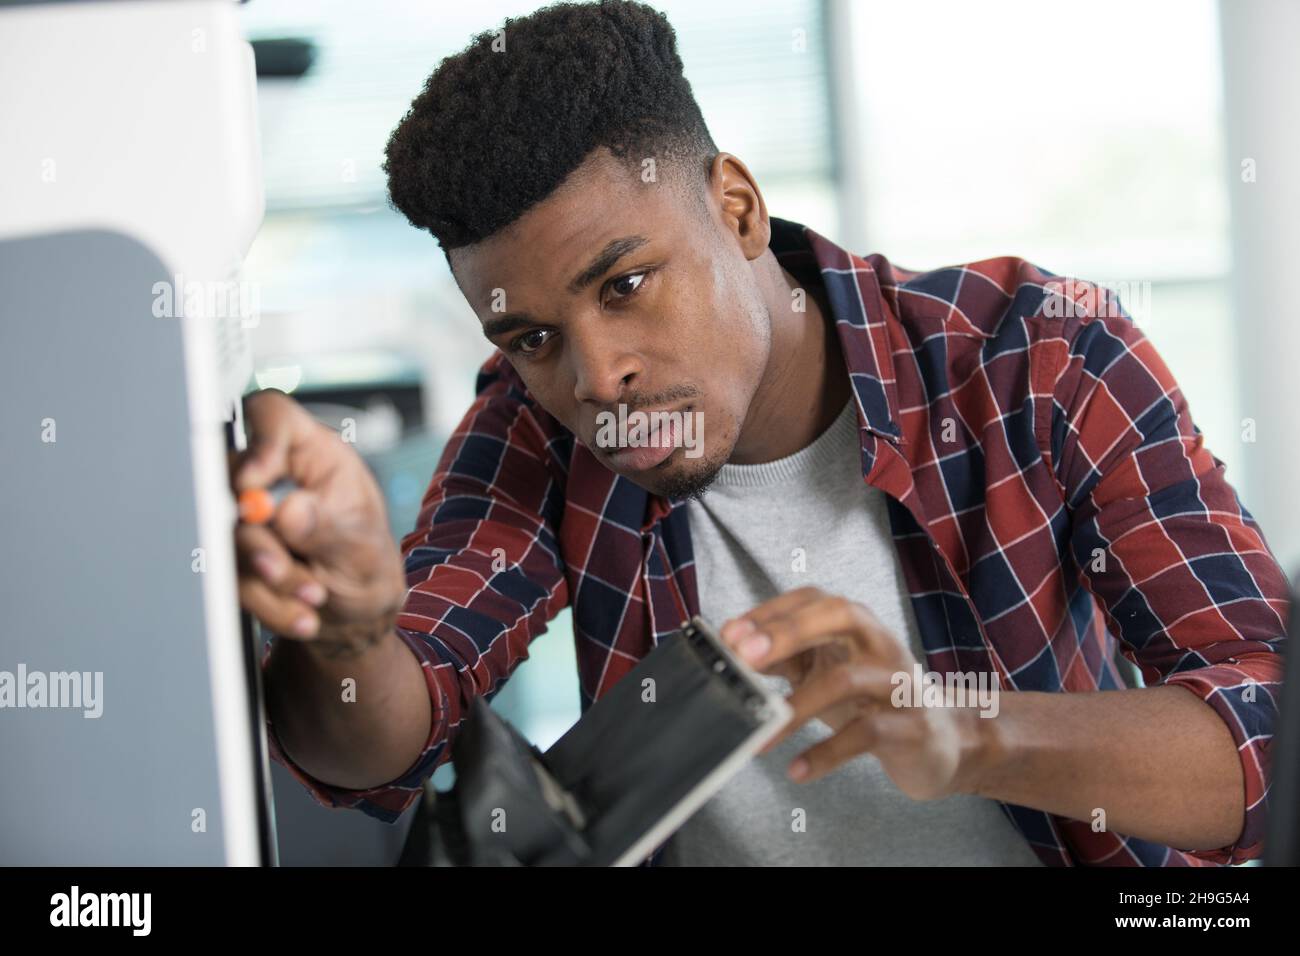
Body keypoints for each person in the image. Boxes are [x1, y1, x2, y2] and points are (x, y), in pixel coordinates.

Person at [232, 0, 1288, 866]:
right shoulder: (532, 423)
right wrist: (350, 629)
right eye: (531, 335)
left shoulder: (1039, 357)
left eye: (627, 283)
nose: (597, 375)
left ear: (735, 205)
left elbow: (1265, 726)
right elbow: (372, 744)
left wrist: (967, 729)